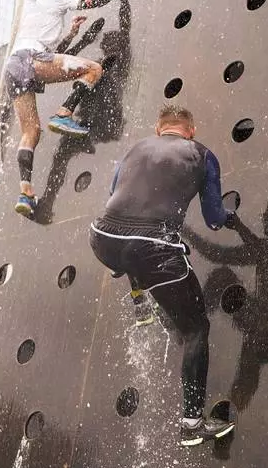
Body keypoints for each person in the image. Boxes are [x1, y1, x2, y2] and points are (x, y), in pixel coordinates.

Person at [89, 104, 238, 447]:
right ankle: (192, 424)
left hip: (102, 238)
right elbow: (214, 218)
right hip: (151, 248)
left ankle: (140, 300)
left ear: (159, 130)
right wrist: (228, 217)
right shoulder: (201, 155)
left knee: (128, 253)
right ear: (192, 130)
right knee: (196, 328)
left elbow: (116, 197)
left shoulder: (135, 149)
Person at [5, 0, 129, 218]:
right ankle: (64, 113)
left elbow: (51, 54)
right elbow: (93, 2)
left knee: (31, 132)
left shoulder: (34, 11)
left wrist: (72, 33)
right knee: (94, 68)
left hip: (13, 67)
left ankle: (25, 192)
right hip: (31, 60)